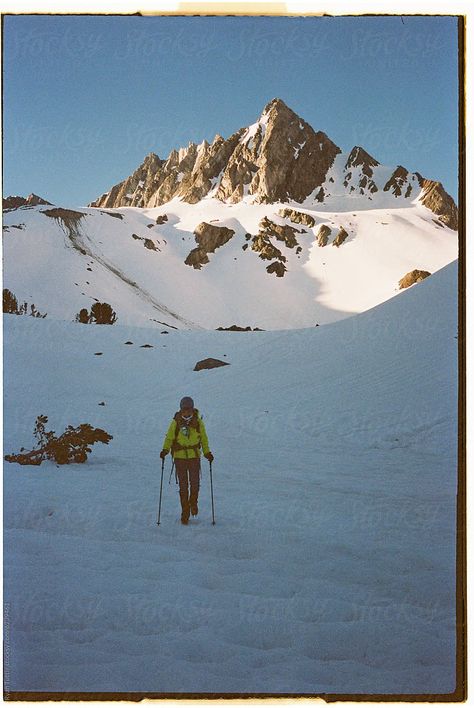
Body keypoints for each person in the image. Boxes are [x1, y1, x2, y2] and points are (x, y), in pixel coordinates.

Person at [160, 396, 214, 525]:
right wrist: (165, 450)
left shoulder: (198, 422)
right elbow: (169, 437)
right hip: (179, 458)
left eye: (189, 410)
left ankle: (193, 502)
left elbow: (204, 438)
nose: (186, 412)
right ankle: (185, 511)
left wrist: (207, 452)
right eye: (184, 410)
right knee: (183, 486)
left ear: (192, 409)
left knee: (194, 484)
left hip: (194, 457)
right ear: (181, 410)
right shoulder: (176, 422)